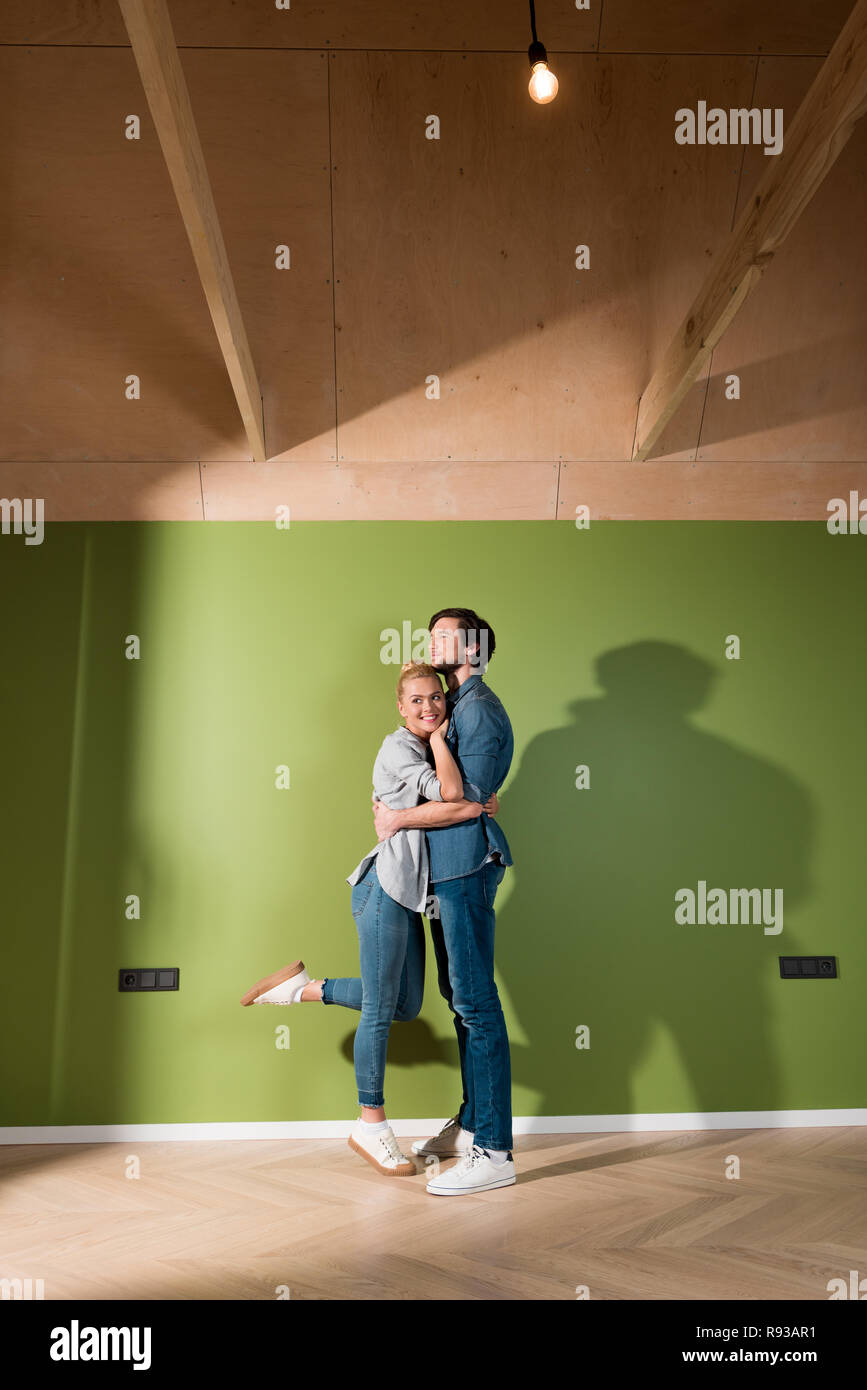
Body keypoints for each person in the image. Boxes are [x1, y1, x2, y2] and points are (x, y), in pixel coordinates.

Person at [239, 661, 499, 1178]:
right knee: (381, 1009)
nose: (429, 707)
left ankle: (302, 989)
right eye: (418, 700)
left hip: (408, 896)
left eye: (436, 699)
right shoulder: (399, 747)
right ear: (401, 708)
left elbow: (450, 800)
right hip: (382, 888)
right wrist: (471, 797)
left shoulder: (425, 744)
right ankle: (370, 1124)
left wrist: (460, 784)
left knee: (406, 1004)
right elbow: (452, 797)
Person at [372, 609, 515, 1195]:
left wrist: (396, 817)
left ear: (476, 645)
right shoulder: (452, 708)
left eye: (444, 635)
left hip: (466, 867)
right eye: (430, 636)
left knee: (476, 1002)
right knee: (459, 997)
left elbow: (470, 803)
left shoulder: (477, 709)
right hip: (445, 871)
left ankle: (496, 1150)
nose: (432, 642)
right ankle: (474, 1122)